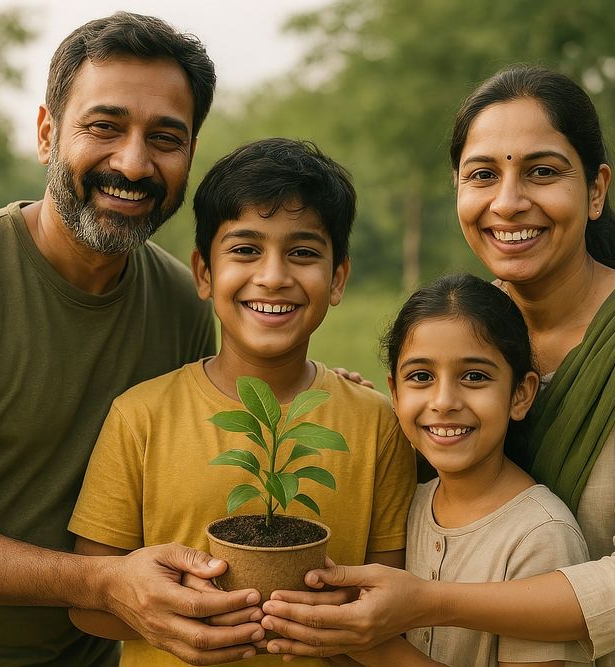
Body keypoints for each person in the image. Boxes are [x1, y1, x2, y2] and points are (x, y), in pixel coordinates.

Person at [260, 65, 615, 666]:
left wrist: (427, 604)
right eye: (483, 175)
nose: (508, 203)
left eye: (542, 172)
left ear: (596, 190)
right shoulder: (474, 331)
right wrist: (372, 419)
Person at [0, 13, 271, 666]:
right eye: (104, 126)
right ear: (46, 133)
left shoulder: (181, 301)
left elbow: (193, 450)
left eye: (165, 138)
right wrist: (101, 582)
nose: (133, 162)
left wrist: (321, 394)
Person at [66, 137, 417, 666]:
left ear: (338, 278)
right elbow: (88, 605)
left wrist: (340, 619)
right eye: (245, 250)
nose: (273, 276)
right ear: (204, 273)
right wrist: (169, 612)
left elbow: (388, 603)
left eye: (303, 252)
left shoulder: (376, 424)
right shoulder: (140, 417)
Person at [334, 272, 589, 667]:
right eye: (421, 377)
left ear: (520, 394)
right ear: (394, 393)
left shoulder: (540, 537)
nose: (444, 401)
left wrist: (375, 649)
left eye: (474, 376)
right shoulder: (406, 501)